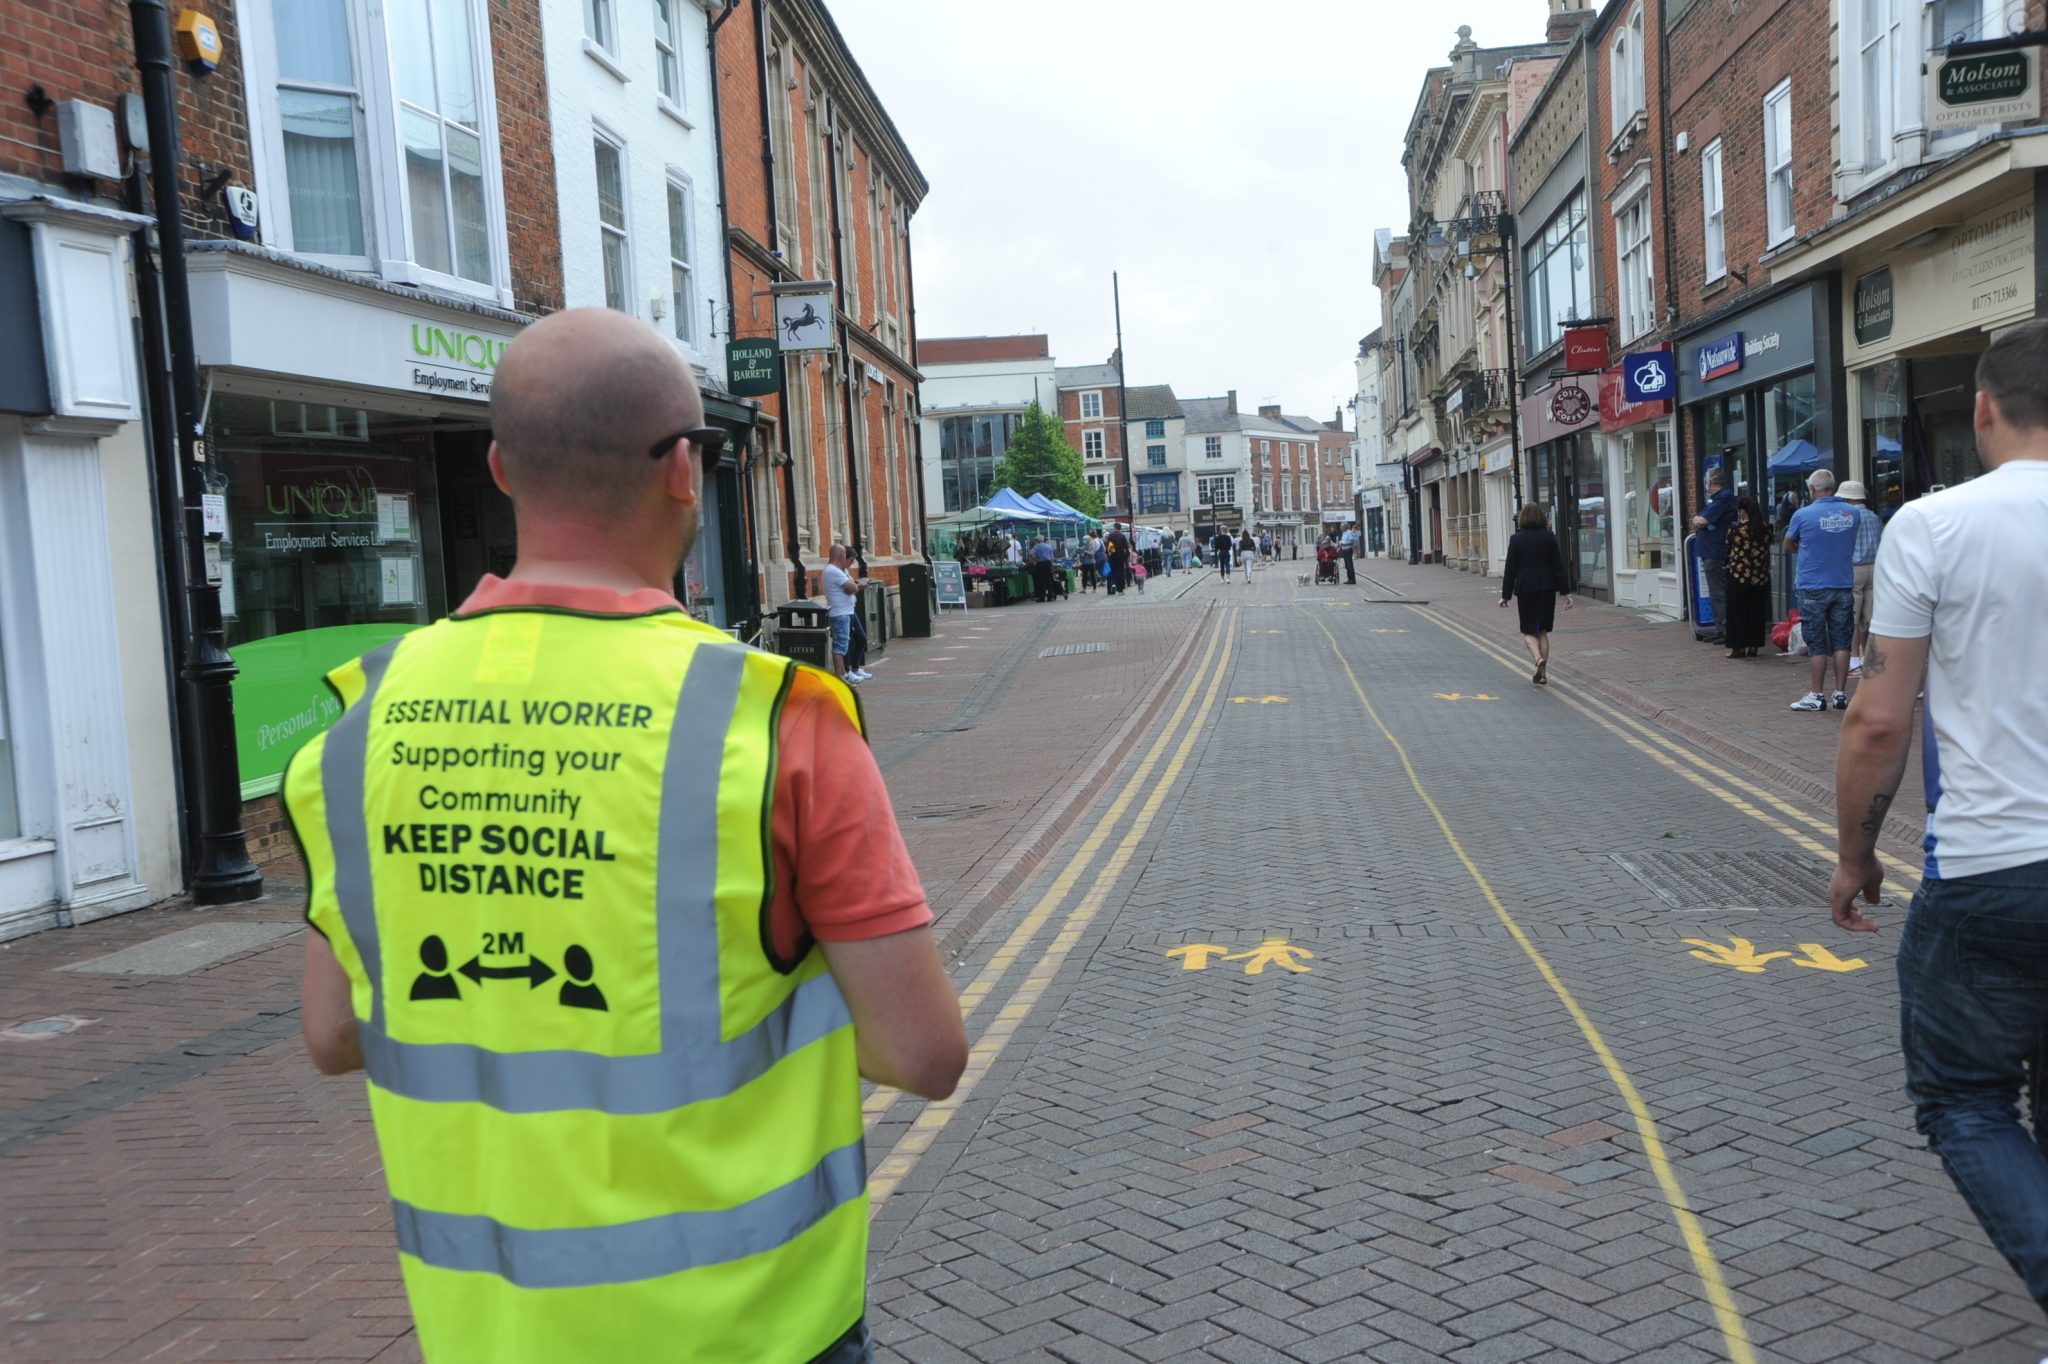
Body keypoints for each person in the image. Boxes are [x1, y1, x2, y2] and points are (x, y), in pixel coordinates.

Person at [286, 309, 966, 1363]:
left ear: (501, 469)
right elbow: (920, 1053)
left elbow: (335, 1034)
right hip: (751, 1329)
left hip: (491, 1333)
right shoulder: (772, 718)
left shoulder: (361, 722)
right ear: (684, 469)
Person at [1829, 318, 2048, 1316]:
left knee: (1964, 1099)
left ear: (1983, 409)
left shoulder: (1933, 525)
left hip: (1993, 867)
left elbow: (1877, 718)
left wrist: (1855, 855)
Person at [1784, 468, 1858, 711]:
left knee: (1816, 643)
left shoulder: (1802, 515)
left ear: (1812, 488)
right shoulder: (1852, 513)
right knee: (1842, 641)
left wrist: (1805, 548)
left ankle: (1816, 695)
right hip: (1842, 583)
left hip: (1812, 584)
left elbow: (1788, 544)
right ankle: (1840, 694)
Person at [1498, 501, 1574, 685]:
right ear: (1541, 517)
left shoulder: (1516, 539)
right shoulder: (1549, 537)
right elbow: (1558, 567)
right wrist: (1566, 593)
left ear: (1522, 518)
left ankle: (1537, 659)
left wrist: (1505, 596)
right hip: (1547, 588)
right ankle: (1543, 674)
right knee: (1542, 632)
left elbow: (1510, 569)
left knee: (1528, 631)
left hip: (1526, 589)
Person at [1839, 479, 1884, 670]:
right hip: (1874, 568)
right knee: (1869, 616)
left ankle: (1854, 658)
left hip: (1854, 568)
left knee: (1854, 616)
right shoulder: (1874, 517)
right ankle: (1869, 656)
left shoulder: (1848, 517)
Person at [1720, 492, 1772, 659]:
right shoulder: (1765, 529)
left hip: (1738, 576)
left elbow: (1727, 548)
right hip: (1760, 577)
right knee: (1756, 611)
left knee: (1736, 612)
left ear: (1742, 511)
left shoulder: (1736, 529)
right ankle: (1753, 645)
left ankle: (1738, 647)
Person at [1690, 467, 1737, 644]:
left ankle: (1725, 630)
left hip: (1715, 552)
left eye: (1706, 481)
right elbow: (1700, 520)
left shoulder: (1723, 498)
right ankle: (1720, 629)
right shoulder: (1717, 499)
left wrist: (1699, 521)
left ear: (1710, 482)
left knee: (1718, 593)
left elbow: (1702, 520)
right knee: (1715, 593)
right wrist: (1699, 521)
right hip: (1711, 551)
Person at [822, 543, 866, 682]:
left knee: (842, 646)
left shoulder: (834, 570)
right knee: (840, 647)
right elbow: (852, 587)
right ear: (842, 555)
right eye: (846, 555)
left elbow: (851, 587)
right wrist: (855, 587)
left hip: (842, 613)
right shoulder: (834, 571)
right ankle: (840, 677)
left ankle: (844, 675)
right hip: (840, 614)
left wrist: (852, 587)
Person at [1029, 535, 1057, 603]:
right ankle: (1050, 597)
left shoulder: (1036, 546)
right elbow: (1052, 557)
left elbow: (1030, 553)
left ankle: (1042, 597)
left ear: (1037, 541)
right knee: (1048, 580)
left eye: (1036, 540)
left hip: (1040, 564)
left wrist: (1036, 559)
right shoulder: (1048, 546)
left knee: (1041, 581)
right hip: (1048, 563)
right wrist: (1052, 566)